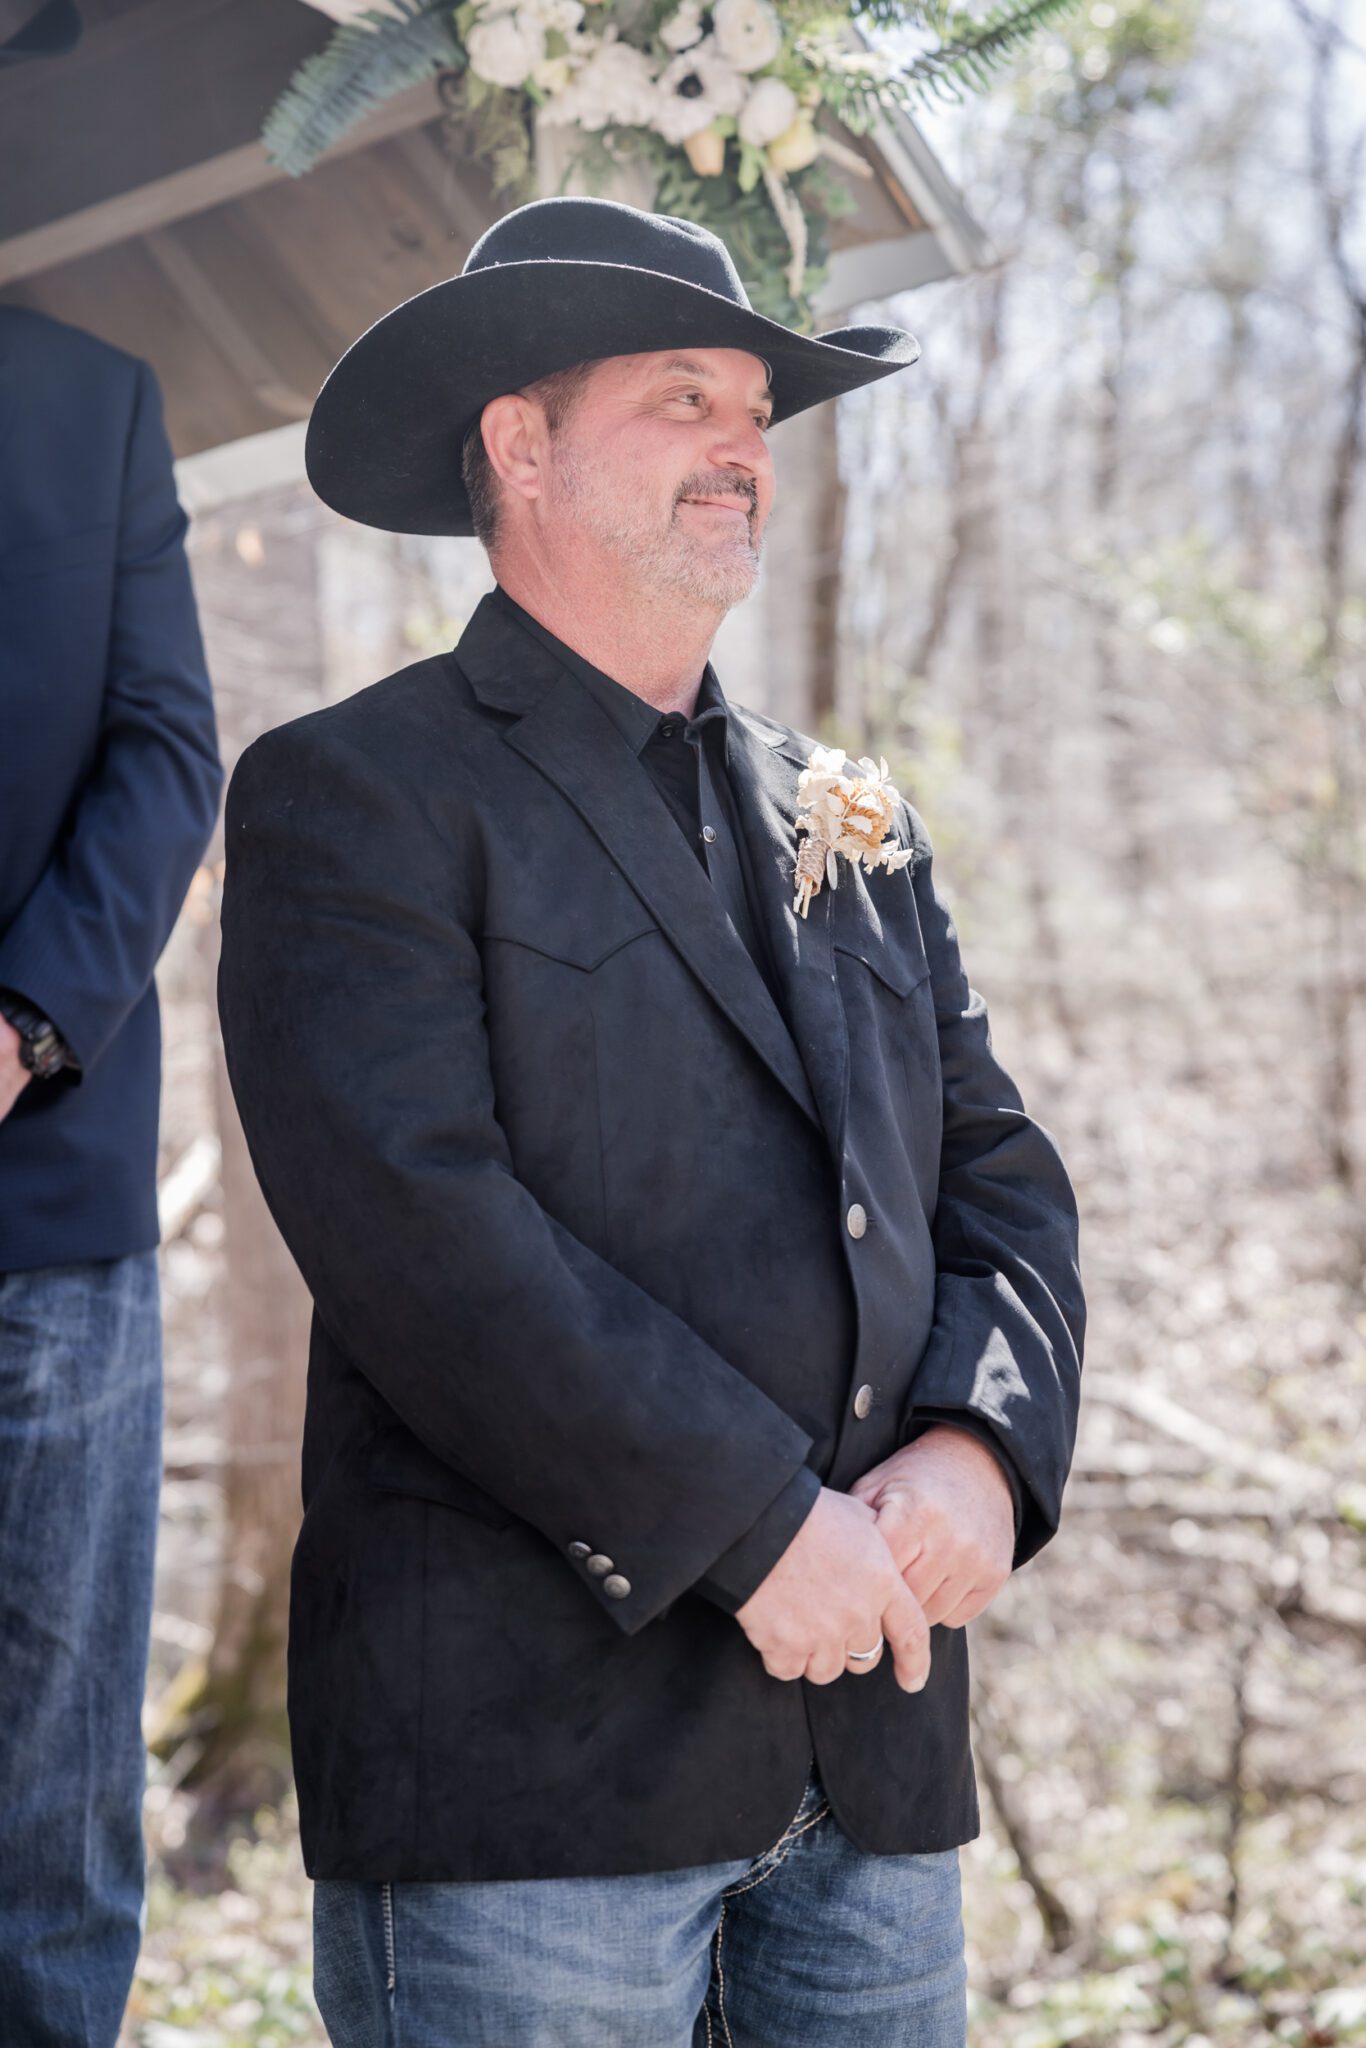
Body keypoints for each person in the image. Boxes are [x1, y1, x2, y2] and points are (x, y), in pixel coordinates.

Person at [217, 194, 1085, 2047]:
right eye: (681, 401)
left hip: (875, 1747)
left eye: (753, 418)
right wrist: (755, 1530)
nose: (737, 449)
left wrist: (978, 1462)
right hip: (531, 1775)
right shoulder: (350, 792)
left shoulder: (849, 811)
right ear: (516, 445)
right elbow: (417, 1231)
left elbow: (993, 1177)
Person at [0, 299, 223, 2046]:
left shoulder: (96, 398)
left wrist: (18, 1027)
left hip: (47, 1205)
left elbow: (166, 754)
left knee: (53, 1795)